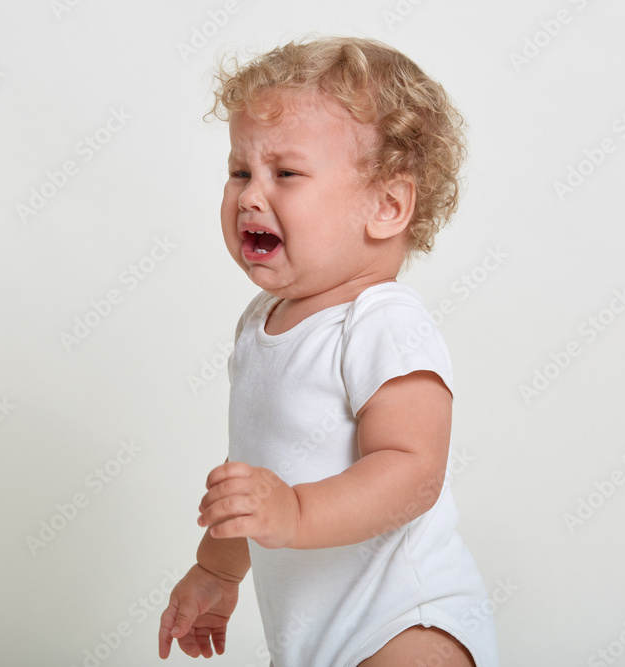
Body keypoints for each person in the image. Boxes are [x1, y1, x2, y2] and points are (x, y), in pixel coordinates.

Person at [158, 35, 500, 666]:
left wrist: (294, 510)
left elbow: (413, 469)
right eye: (240, 171)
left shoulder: (381, 322)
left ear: (387, 205)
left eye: (285, 173)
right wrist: (219, 570)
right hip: (313, 640)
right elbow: (256, 476)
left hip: (406, 622)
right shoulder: (260, 323)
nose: (251, 196)